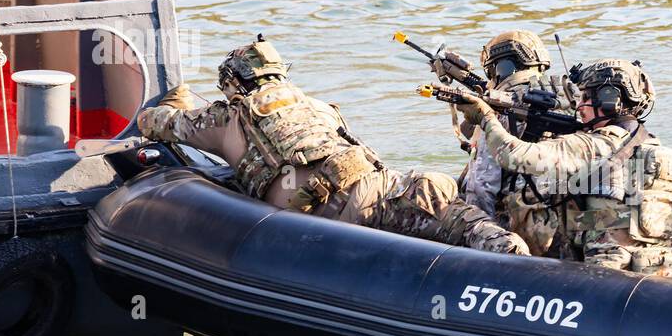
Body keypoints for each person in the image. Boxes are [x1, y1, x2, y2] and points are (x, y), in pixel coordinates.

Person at [137, 37, 529, 254]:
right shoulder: (320, 108)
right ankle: (520, 263)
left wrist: (175, 101)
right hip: (374, 196)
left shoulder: (226, 117)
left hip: (318, 223)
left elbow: (156, 124)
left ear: (235, 84)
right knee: (446, 204)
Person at [448, 59, 672, 276]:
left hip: (609, 275)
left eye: (585, 98)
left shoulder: (594, 145)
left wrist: (485, 117)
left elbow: (515, 156)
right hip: (663, 271)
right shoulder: (662, 151)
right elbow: (624, 216)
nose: (579, 106)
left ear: (610, 100)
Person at [431, 30, 576, 256]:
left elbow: (481, 188)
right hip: (565, 227)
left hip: (520, 233)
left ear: (500, 67)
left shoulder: (501, 112)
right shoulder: (569, 101)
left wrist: (477, 238)